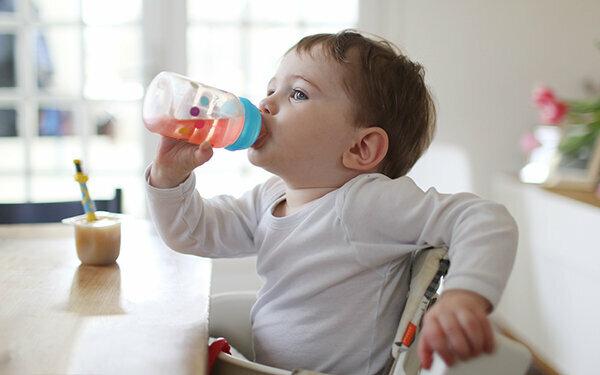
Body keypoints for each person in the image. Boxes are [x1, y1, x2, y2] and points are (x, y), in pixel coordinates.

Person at [145, 29, 518, 375]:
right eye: (272, 88)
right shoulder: (270, 197)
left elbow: (483, 217)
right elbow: (194, 233)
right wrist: (169, 179)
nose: (265, 103)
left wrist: (464, 296)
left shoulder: (365, 202)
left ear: (360, 148)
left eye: (298, 94)